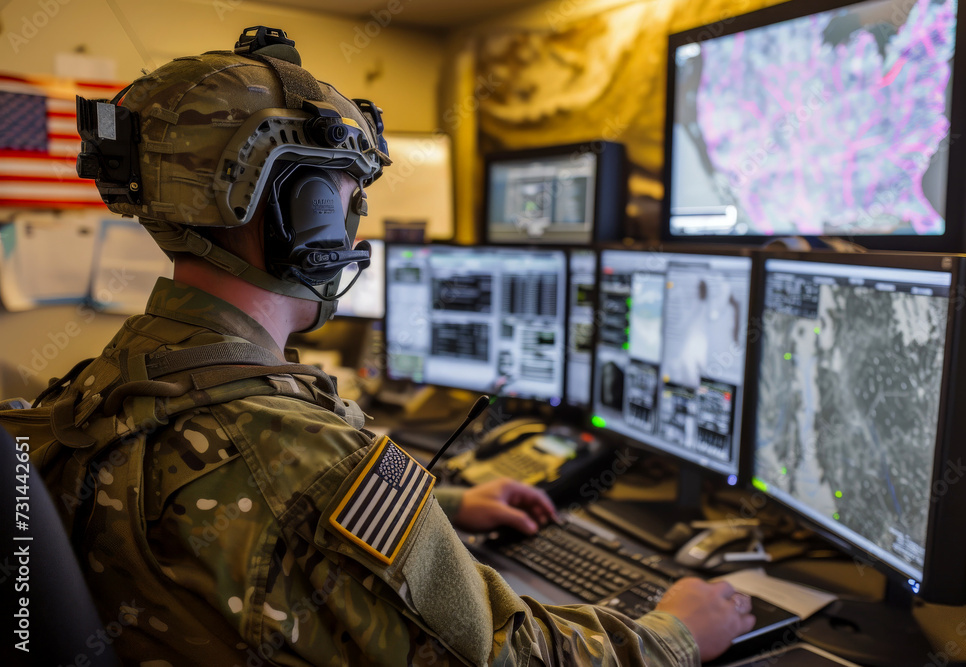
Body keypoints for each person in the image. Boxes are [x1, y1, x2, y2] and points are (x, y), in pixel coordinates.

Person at [7, 26, 754, 666]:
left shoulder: (101, 387)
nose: (356, 223)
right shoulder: (301, 455)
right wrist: (677, 632)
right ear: (299, 210)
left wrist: (452, 505)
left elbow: (244, 522)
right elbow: (506, 654)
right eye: (346, 193)